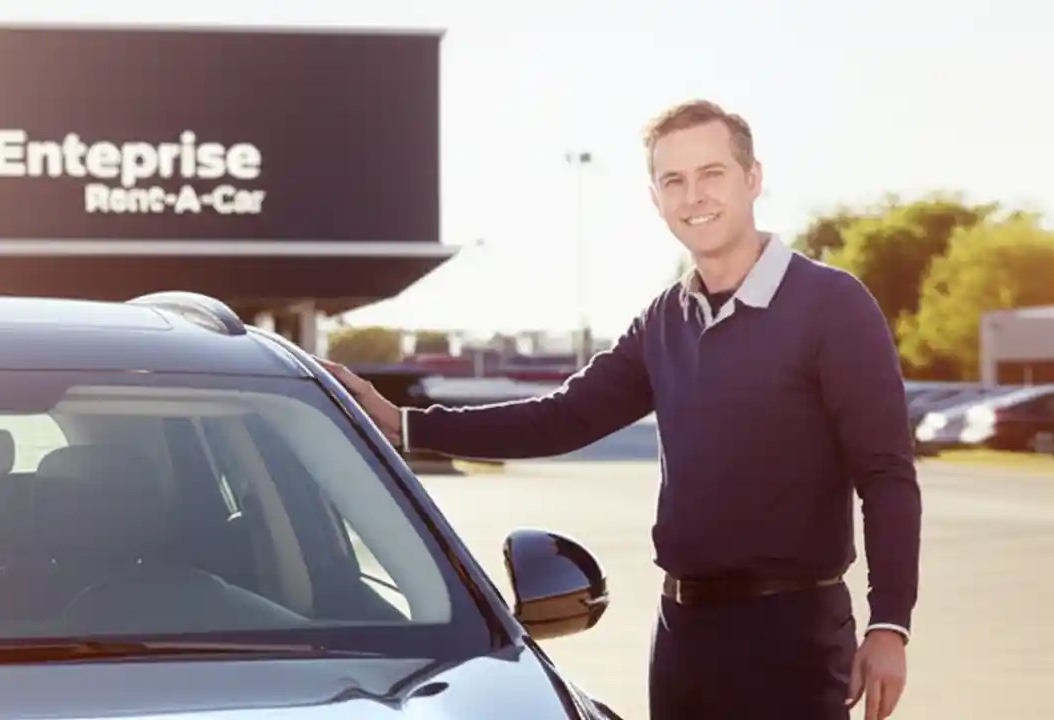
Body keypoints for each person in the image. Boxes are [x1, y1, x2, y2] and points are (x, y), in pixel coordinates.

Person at [318, 99, 920, 719]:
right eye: (673, 181)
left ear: (752, 178)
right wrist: (406, 424)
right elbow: (562, 417)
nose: (694, 196)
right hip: (684, 632)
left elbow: (887, 476)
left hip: (793, 635)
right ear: (655, 198)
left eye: (712, 173)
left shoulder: (832, 304)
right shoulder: (664, 319)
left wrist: (889, 625)